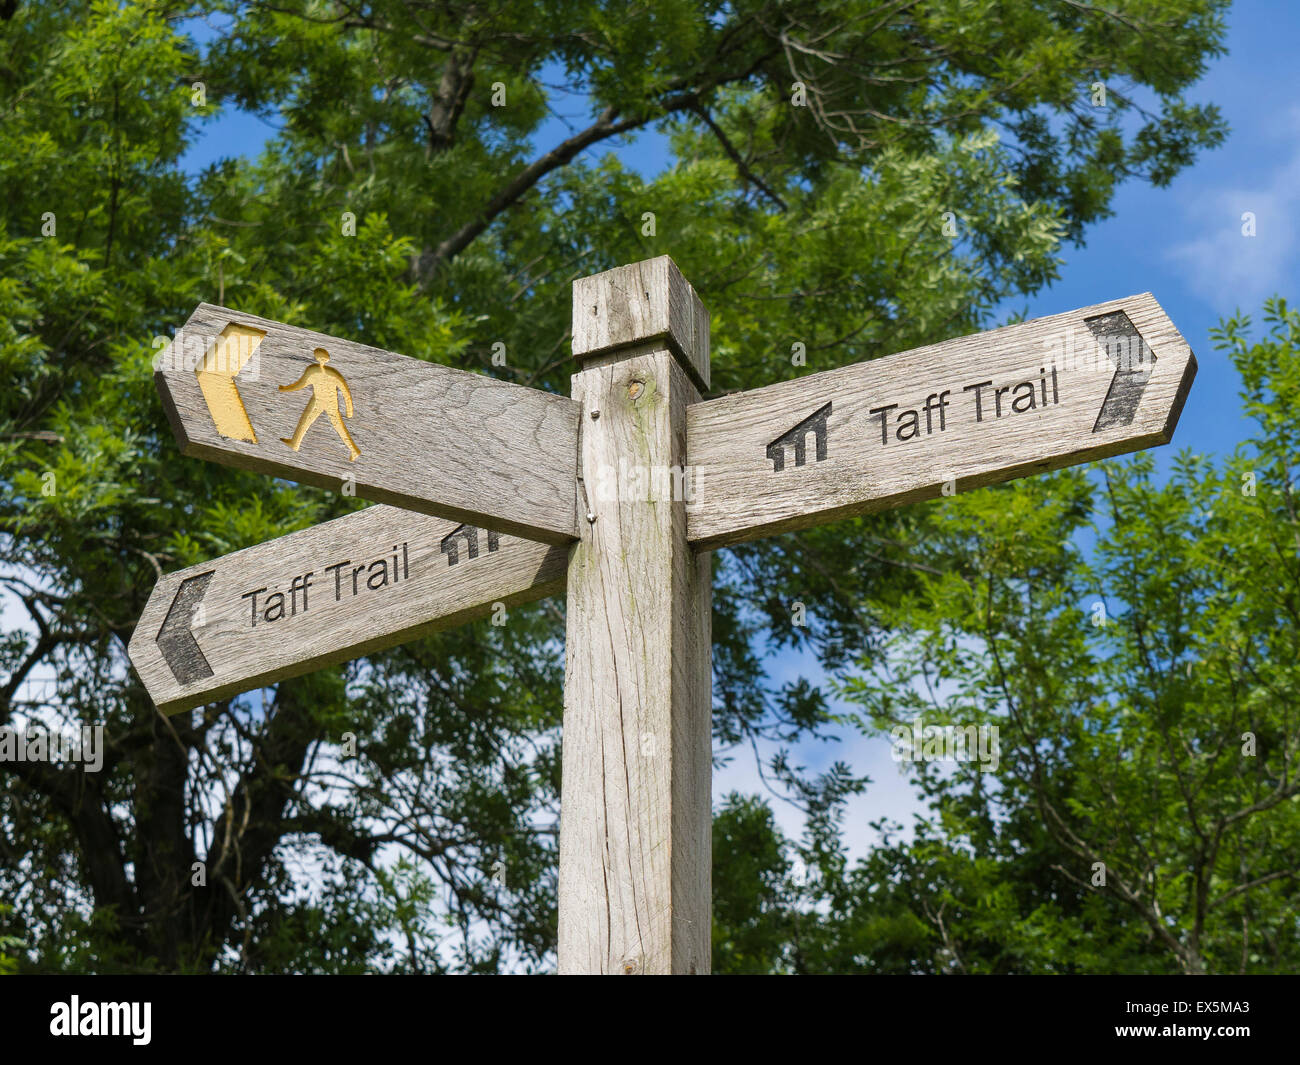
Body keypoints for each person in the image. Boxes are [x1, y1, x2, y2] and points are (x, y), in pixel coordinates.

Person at [279, 347, 360, 461]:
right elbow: (345, 390)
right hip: (321, 401)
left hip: (325, 402)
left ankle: (354, 450)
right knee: (306, 421)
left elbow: (300, 385)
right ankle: (295, 443)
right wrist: (349, 410)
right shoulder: (328, 372)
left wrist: (285, 389)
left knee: (336, 426)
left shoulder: (314, 371)